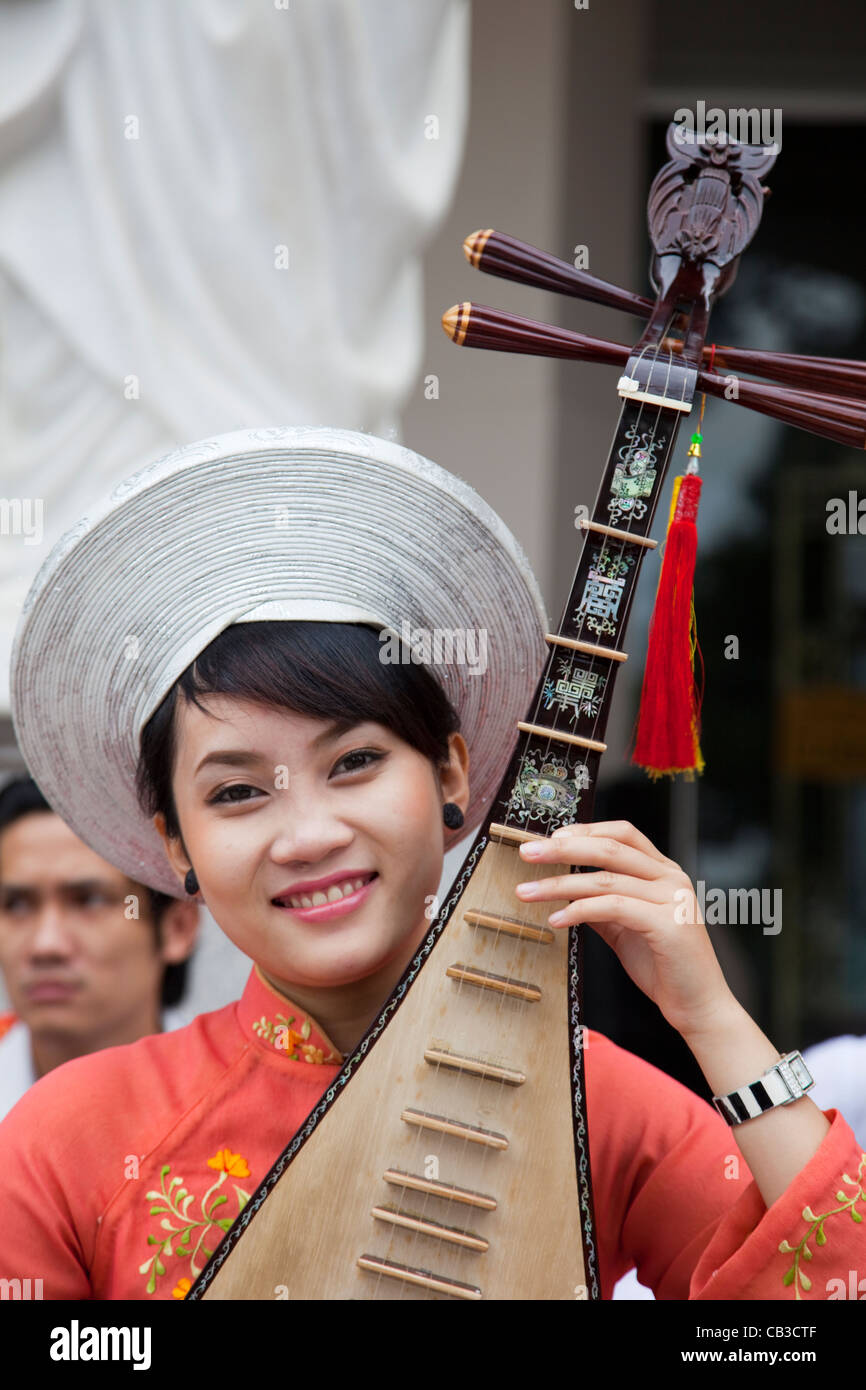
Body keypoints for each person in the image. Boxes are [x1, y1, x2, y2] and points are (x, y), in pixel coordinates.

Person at [0, 426, 862, 1301]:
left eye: (355, 764)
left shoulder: (595, 1100)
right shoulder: (71, 1135)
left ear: (450, 772)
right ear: (175, 843)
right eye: (236, 794)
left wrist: (710, 1015)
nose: (307, 835)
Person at [0, 777, 200, 1120]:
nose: (45, 945)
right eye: (17, 905)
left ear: (176, 928)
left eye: (89, 901)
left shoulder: (250, 1106)